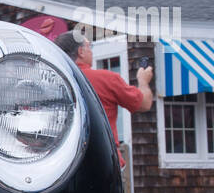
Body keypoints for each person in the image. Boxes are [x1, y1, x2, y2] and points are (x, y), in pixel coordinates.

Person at [55, 30, 153, 169]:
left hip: (62, 164)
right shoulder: (107, 79)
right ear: (81, 52)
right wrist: (143, 81)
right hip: (103, 159)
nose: (91, 51)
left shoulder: (53, 83)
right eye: (89, 47)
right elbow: (144, 104)